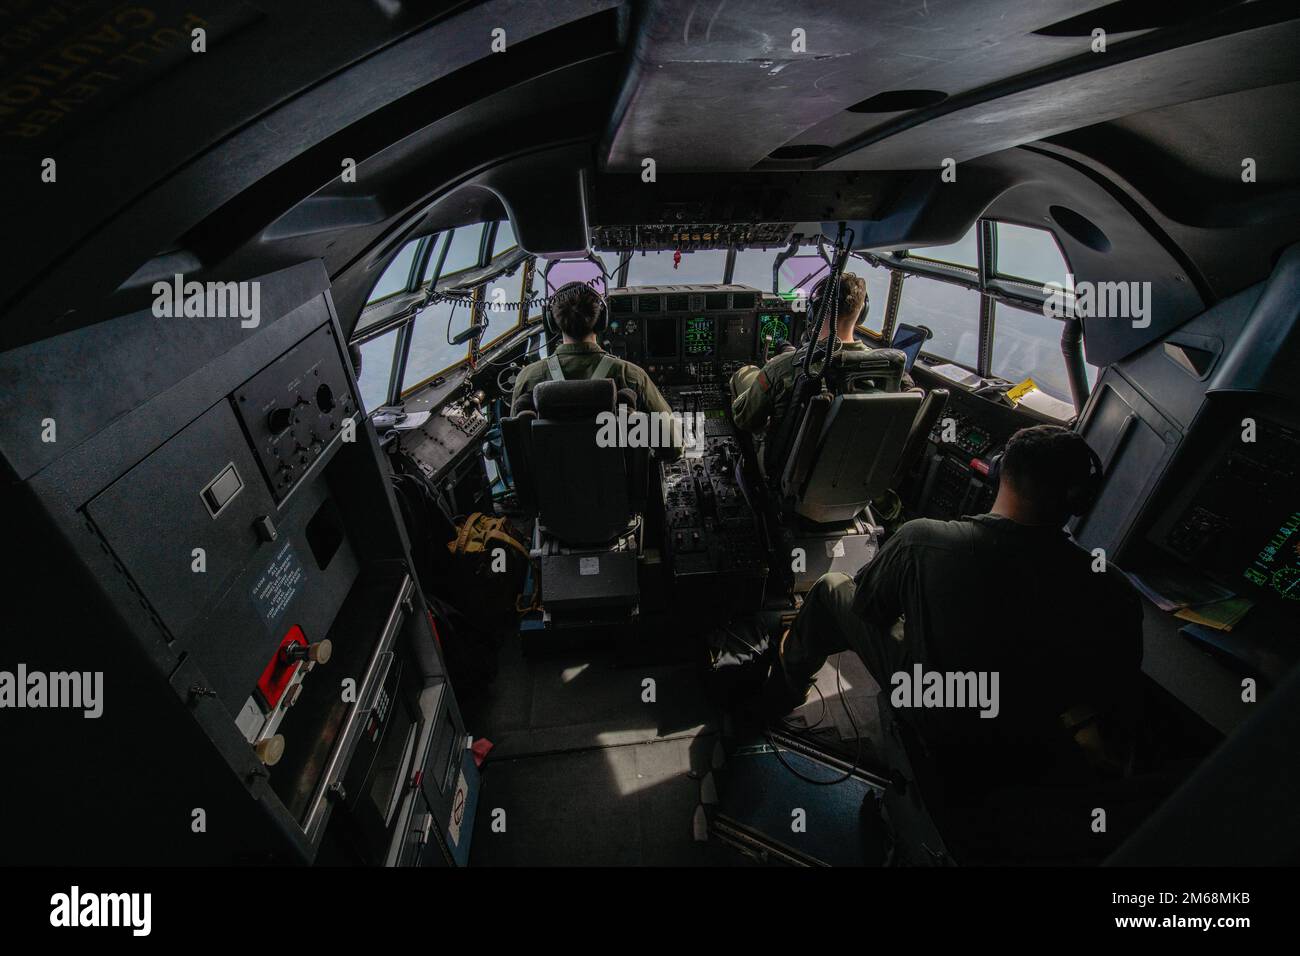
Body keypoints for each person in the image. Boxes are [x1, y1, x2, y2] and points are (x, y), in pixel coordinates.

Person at [767, 424, 1144, 787]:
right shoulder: (1114, 588)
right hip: (1032, 746)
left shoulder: (922, 541)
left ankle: (785, 690)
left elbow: (870, 607)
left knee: (832, 587)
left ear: (998, 472)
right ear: (1080, 499)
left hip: (933, 710)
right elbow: (1109, 696)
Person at [513, 281, 681, 458]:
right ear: (602, 320)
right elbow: (674, 447)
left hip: (549, 485)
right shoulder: (631, 375)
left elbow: (517, 449)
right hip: (617, 485)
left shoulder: (528, 377)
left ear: (552, 322)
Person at [728, 272, 870, 465]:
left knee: (744, 373)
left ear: (814, 313)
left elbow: (744, 420)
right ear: (861, 313)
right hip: (850, 470)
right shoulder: (885, 367)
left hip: (785, 468)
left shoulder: (784, 366)